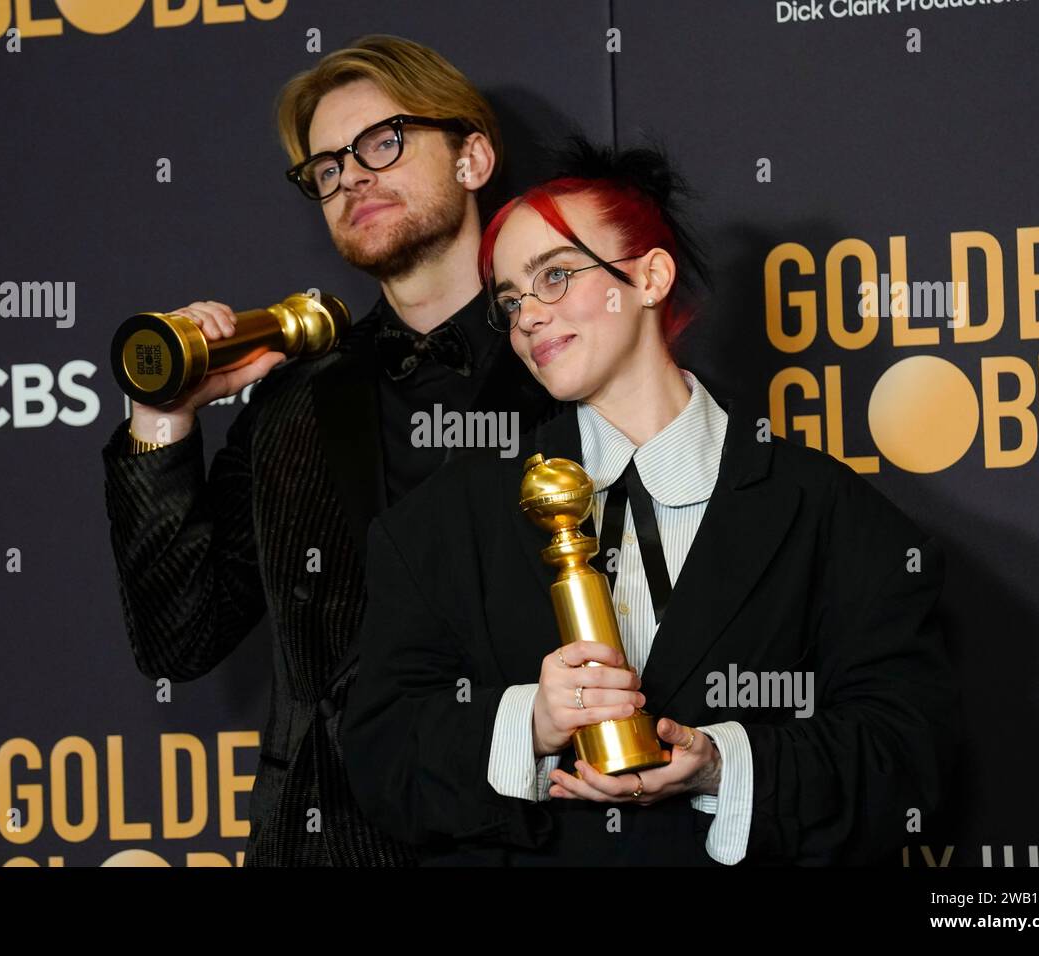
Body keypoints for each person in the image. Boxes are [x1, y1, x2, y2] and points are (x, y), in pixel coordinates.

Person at [343, 137, 961, 865]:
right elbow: (379, 756)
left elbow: (909, 755)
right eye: (509, 301)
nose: (528, 318)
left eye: (556, 276)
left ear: (649, 278)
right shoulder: (441, 524)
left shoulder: (832, 515)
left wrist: (722, 765)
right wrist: (528, 724)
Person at [100, 35, 555, 866]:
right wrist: (163, 421)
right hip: (326, 839)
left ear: (473, 157)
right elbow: (180, 638)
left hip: (536, 833)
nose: (352, 178)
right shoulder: (295, 398)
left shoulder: (572, 367)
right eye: (328, 168)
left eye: (382, 143)